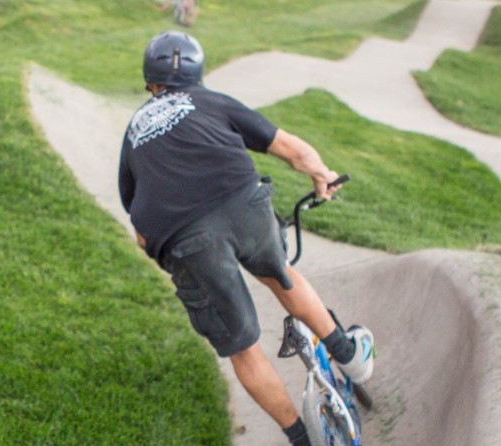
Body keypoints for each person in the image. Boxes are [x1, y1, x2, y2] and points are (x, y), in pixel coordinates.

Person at [118, 32, 376, 446]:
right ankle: (349, 355)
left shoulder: (133, 133)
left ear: (150, 82)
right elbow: (288, 147)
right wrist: (322, 175)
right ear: (198, 75)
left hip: (184, 241)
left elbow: (142, 232)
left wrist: (170, 254)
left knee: (243, 349)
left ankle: (301, 437)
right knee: (281, 275)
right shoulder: (211, 101)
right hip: (244, 206)